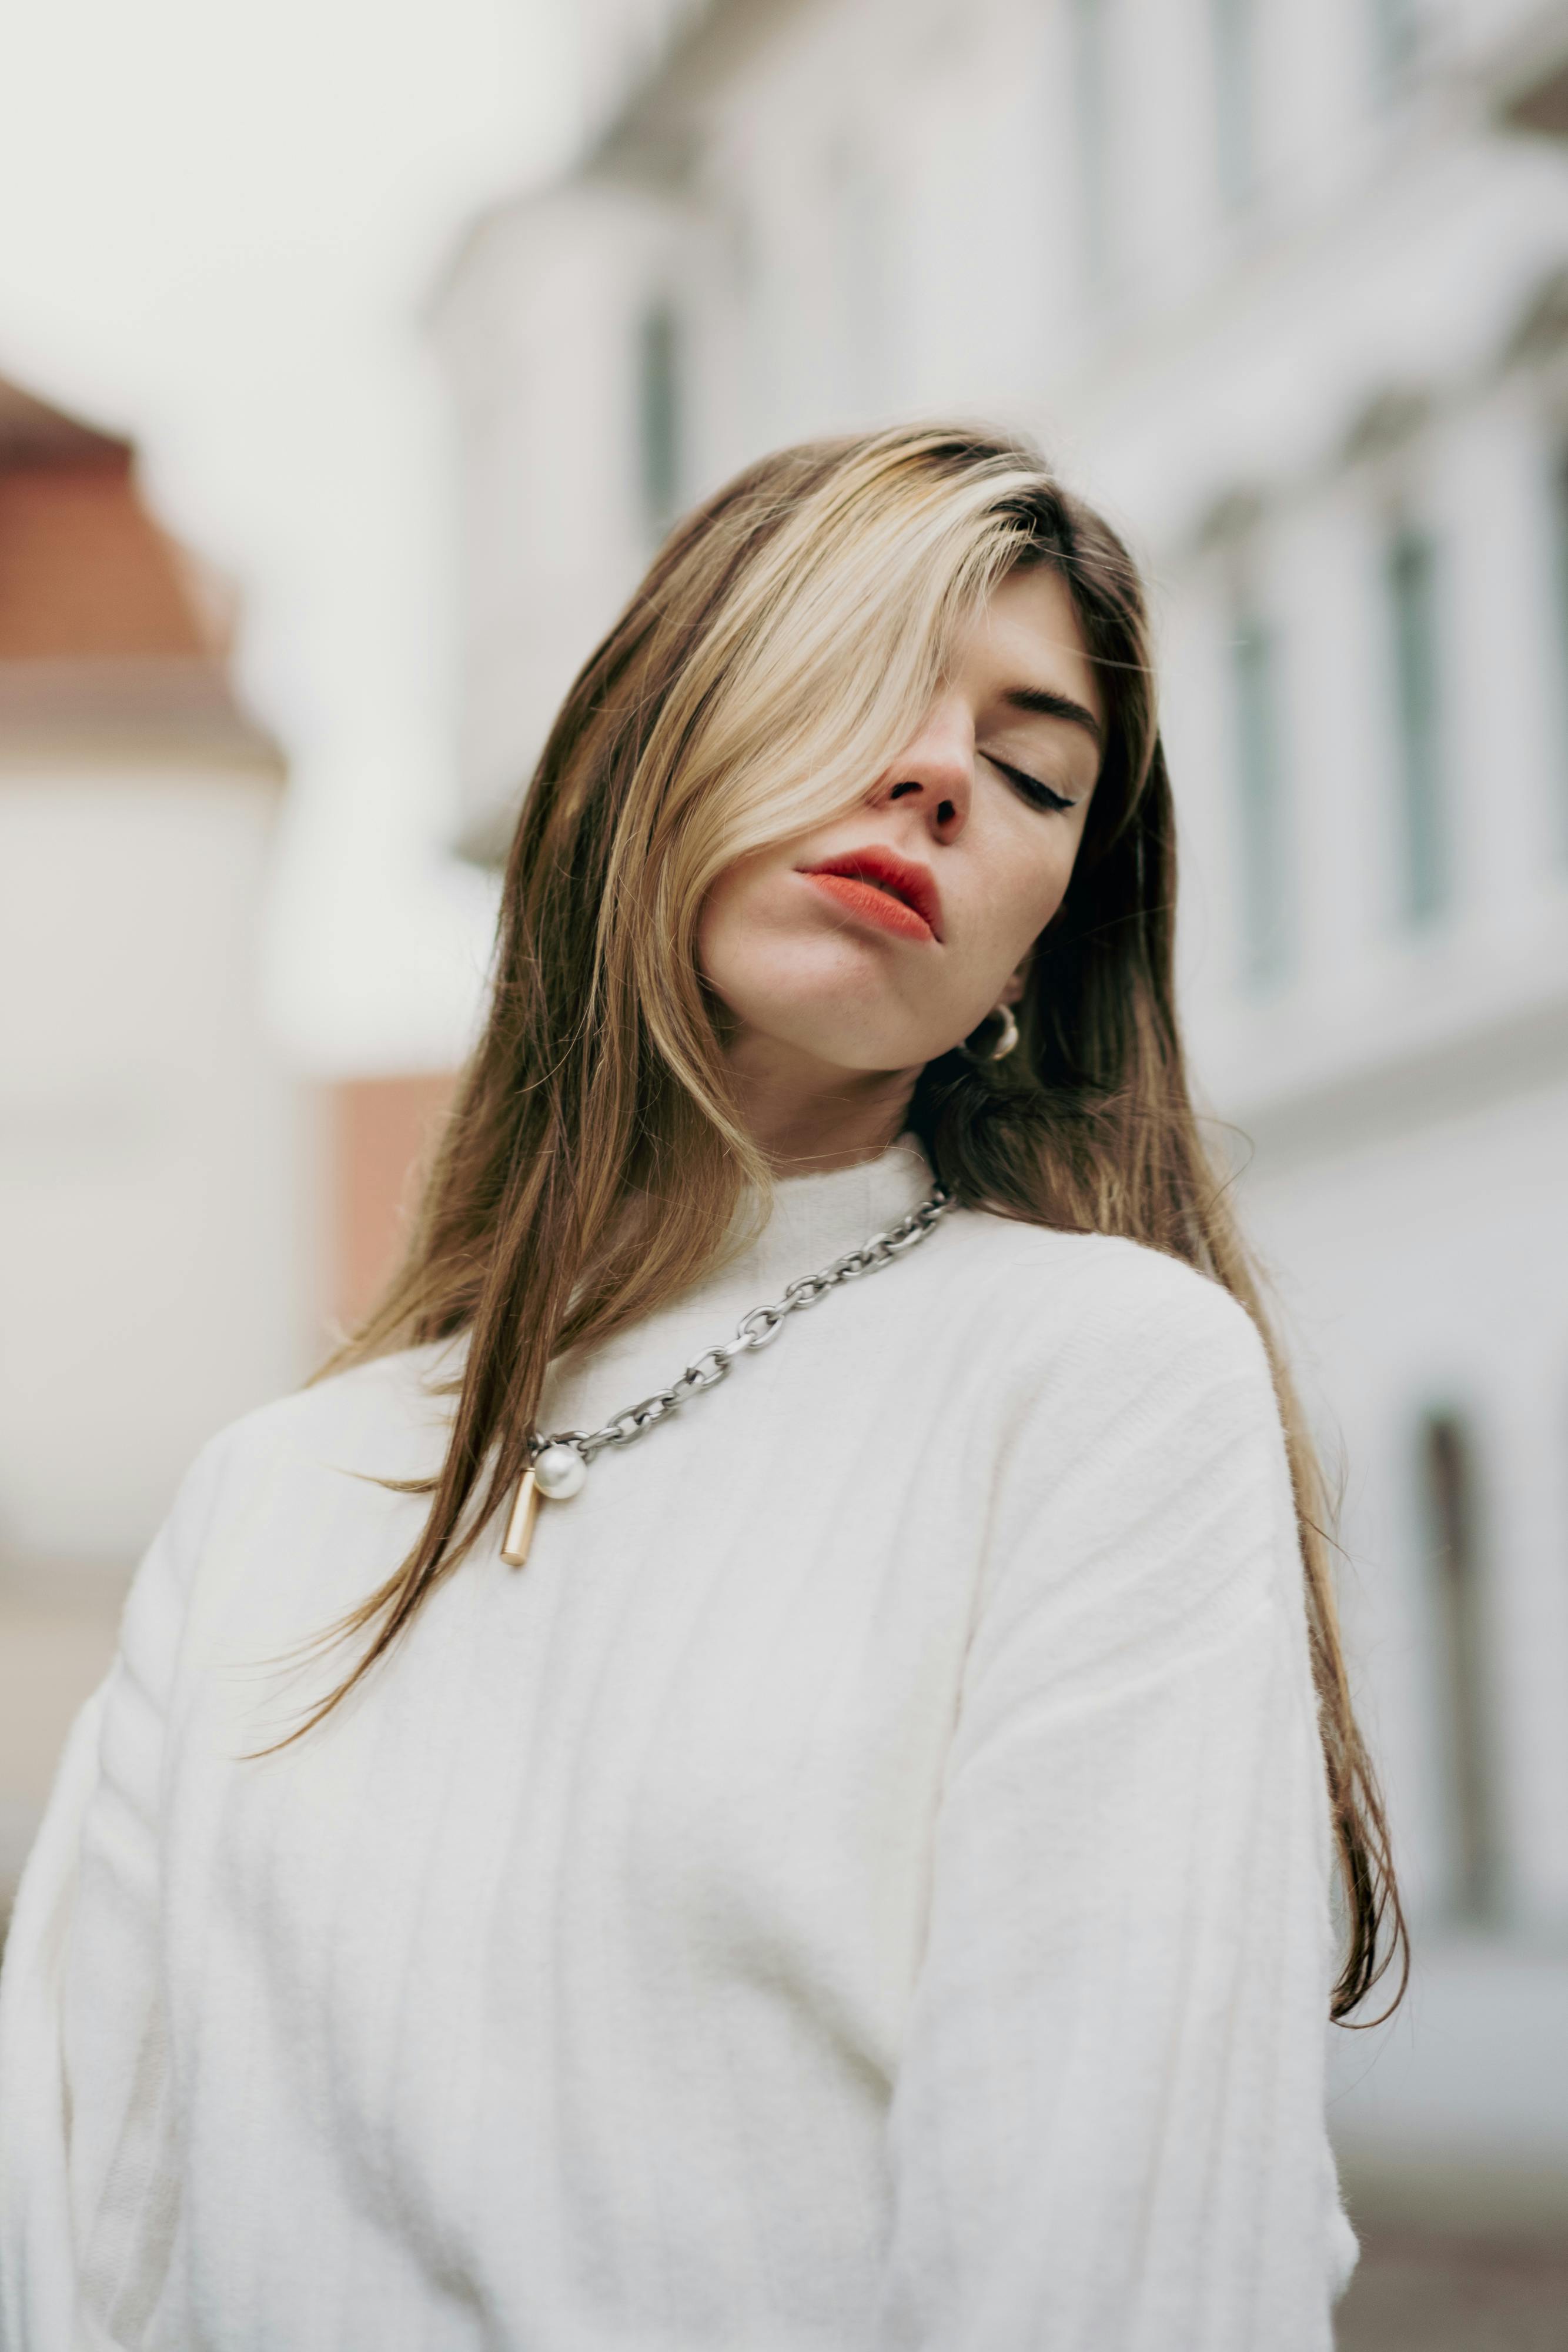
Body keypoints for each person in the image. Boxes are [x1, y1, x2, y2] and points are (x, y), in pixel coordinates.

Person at [0, 425, 1403, 2349]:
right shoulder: (270, 1500)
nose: (935, 782)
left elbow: (1121, 2251)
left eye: (1031, 773)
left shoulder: (1095, 1378)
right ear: (645, 752)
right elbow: (94, 2239)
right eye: (858, 683)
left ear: (1032, 943)